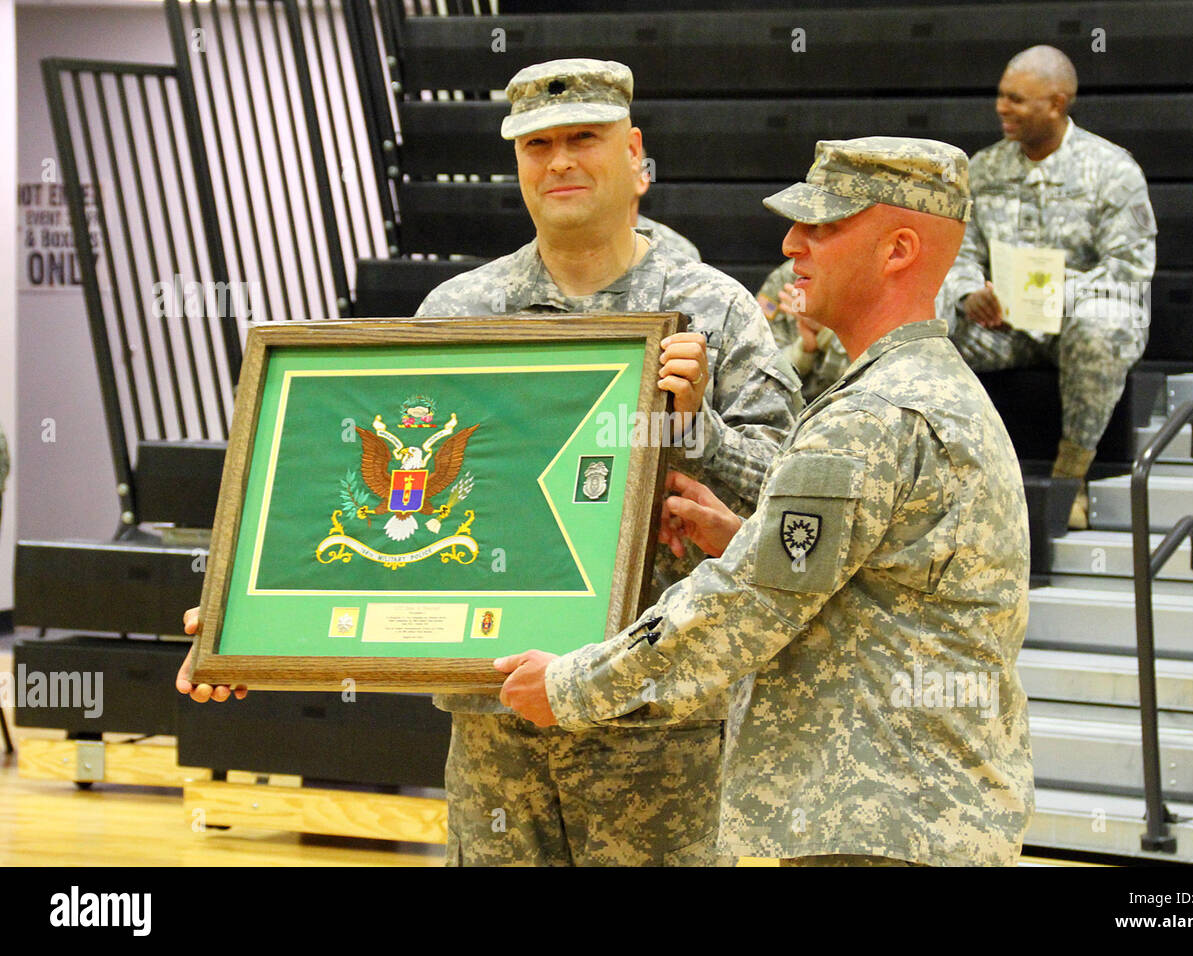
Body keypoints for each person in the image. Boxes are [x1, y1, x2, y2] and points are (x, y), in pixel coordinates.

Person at [179, 58, 801, 867]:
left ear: (635, 154)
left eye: (585, 138)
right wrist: (242, 626)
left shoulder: (716, 308)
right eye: (538, 145)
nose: (561, 161)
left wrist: (701, 431)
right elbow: (399, 509)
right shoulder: (459, 312)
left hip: (657, 729)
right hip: (494, 730)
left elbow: (793, 511)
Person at [497, 136, 1035, 867]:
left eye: (822, 227)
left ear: (900, 249)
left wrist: (571, 684)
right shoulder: (926, 387)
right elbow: (858, 584)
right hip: (919, 813)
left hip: (876, 827)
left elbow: (743, 606)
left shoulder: (873, 415)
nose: (792, 244)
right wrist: (747, 536)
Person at [944, 45, 1157, 528]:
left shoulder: (1111, 171)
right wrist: (968, 293)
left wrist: (1054, 294)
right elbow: (958, 251)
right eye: (1001, 96)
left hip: (1078, 323)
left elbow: (1129, 271)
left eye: (1016, 100)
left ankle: (1070, 479)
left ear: (1056, 104)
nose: (1002, 108)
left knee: (1103, 325)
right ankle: (943, 479)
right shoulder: (985, 169)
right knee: (930, 317)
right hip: (1003, 327)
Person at [757, 260, 956, 404]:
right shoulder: (788, 279)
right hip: (799, 417)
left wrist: (827, 335)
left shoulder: (880, 281)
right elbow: (758, 375)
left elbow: (892, 374)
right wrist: (805, 350)